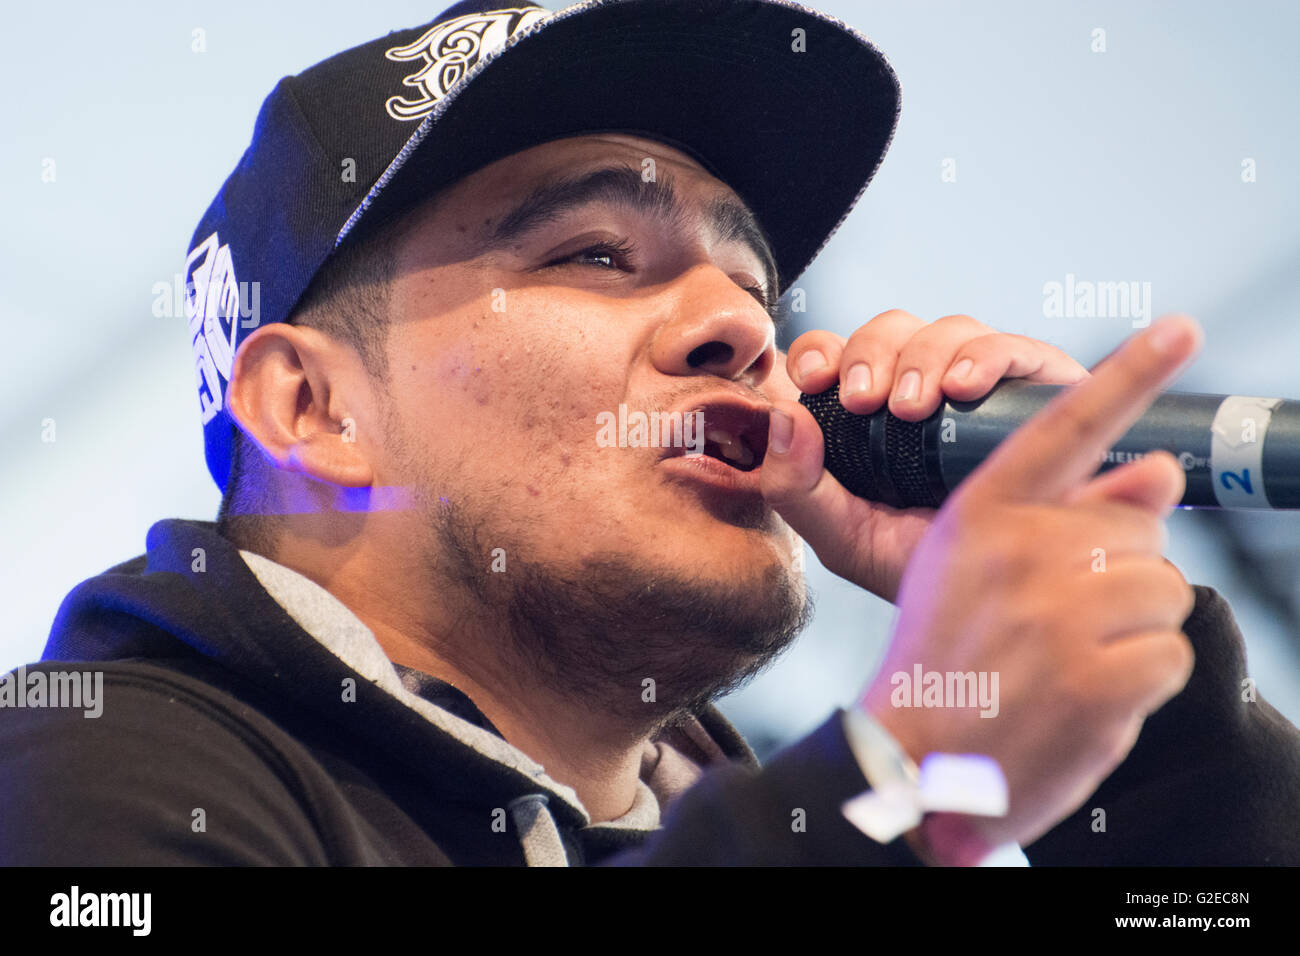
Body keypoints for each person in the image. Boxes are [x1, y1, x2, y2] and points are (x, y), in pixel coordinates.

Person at [2, 0, 1298, 867]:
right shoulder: (89, 778)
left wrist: (1156, 712)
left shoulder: (742, 815)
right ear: (310, 407)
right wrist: (891, 777)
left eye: (754, 288)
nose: (742, 332)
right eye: (596, 253)